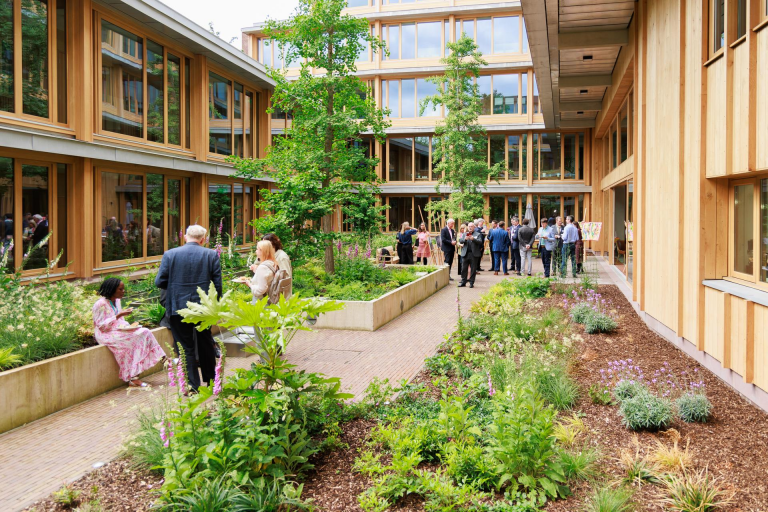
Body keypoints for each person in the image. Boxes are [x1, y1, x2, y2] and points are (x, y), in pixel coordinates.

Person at [155, 225, 222, 393]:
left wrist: (175, 287)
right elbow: (217, 285)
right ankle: (212, 382)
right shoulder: (211, 254)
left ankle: (193, 386)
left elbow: (159, 282)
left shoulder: (170, 254)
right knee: (206, 343)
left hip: (178, 306)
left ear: (185, 237)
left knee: (185, 347)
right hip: (203, 307)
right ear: (203, 239)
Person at [93, 278, 165, 388]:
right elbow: (101, 326)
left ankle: (136, 377)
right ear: (112, 289)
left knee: (144, 332)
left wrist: (128, 326)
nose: (123, 291)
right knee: (138, 337)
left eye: (123, 289)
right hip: (105, 334)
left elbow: (120, 321)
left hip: (117, 330)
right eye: (120, 289)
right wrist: (118, 315)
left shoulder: (116, 301)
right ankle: (163, 361)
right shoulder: (100, 304)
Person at [459, 222, 484, 288]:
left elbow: (480, 242)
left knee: (473, 269)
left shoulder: (478, 234)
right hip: (465, 253)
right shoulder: (465, 234)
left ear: (474, 227)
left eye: (471, 226)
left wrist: (473, 239)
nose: (470, 227)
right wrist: (465, 239)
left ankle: (471, 282)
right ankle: (463, 282)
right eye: (469, 226)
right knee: (464, 268)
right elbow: (460, 240)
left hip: (474, 254)